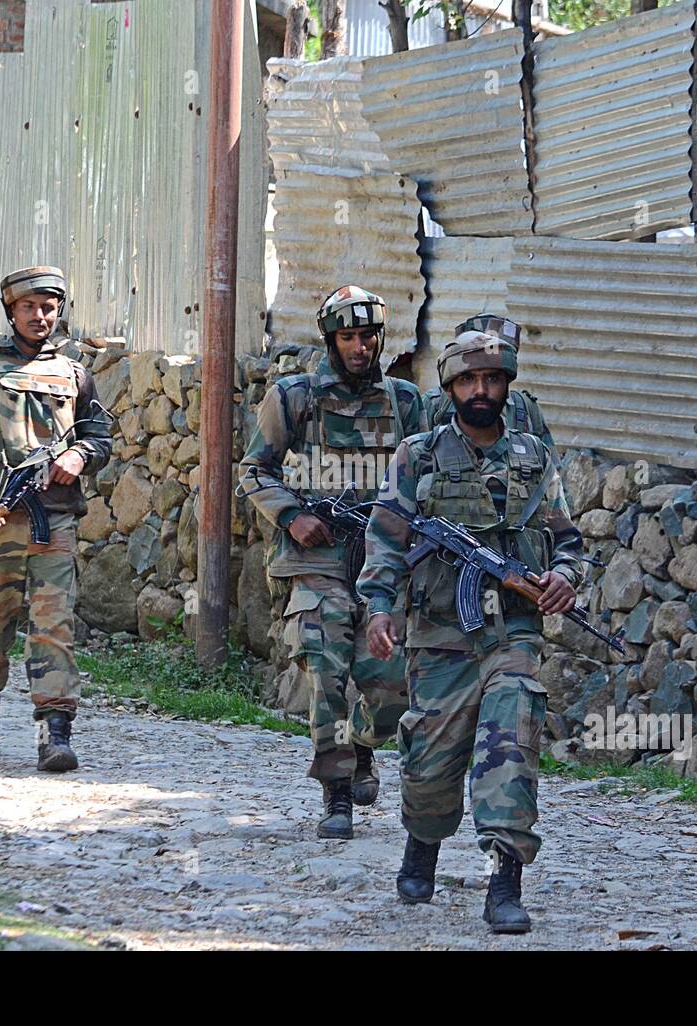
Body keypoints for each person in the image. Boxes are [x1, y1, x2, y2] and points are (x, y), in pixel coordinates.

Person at [358, 330, 584, 934]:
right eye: (467, 380)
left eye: (491, 379)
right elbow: (385, 538)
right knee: (430, 764)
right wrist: (379, 607)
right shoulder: (419, 456)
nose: (480, 391)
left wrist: (564, 577)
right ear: (451, 386)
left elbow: (567, 539)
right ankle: (423, 843)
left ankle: (505, 879)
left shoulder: (534, 457)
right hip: (438, 637)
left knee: (514, 731)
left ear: (507, 383)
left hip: (512, 635)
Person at [239, 285, 427, 839]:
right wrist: (291, 515)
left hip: (383, 562)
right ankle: (336, 791)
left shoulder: (405, 402)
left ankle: (364, 744)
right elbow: (256, 470)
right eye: (349, 336)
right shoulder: (295, 397)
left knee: (390, 683)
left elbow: (424, 480)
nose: (360, 347)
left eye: (369, 336)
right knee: (325, 664)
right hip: (317, 558)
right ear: (331, 340)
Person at [0, 266, 111, 772]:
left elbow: (99, 433)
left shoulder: (76, 372)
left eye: (49, 307)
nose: (40, 316)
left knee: (53, 624)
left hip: (53, 520)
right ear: (11, 310)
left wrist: (78, 456)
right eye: (30, 307)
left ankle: (53, 733)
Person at [423, 314, 556, 459]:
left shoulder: (524, 406)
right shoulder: (436, 403)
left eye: (492, 377)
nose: (480, 390)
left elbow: (549, 463)